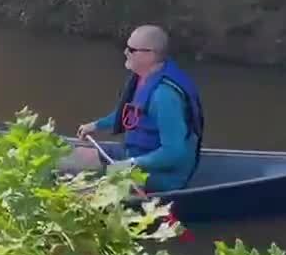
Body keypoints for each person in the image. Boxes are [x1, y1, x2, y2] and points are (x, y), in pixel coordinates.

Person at [70, 24, 204, 192]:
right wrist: (96, 125)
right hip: (134, 155)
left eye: (132, 50)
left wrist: (131, 164)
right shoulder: (143, 78)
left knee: (87, 190)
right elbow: (130, 114)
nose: (126, 52)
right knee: (73, 157)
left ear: (150, 55)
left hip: (162, 175)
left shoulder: (164, 96)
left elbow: (174, 153)